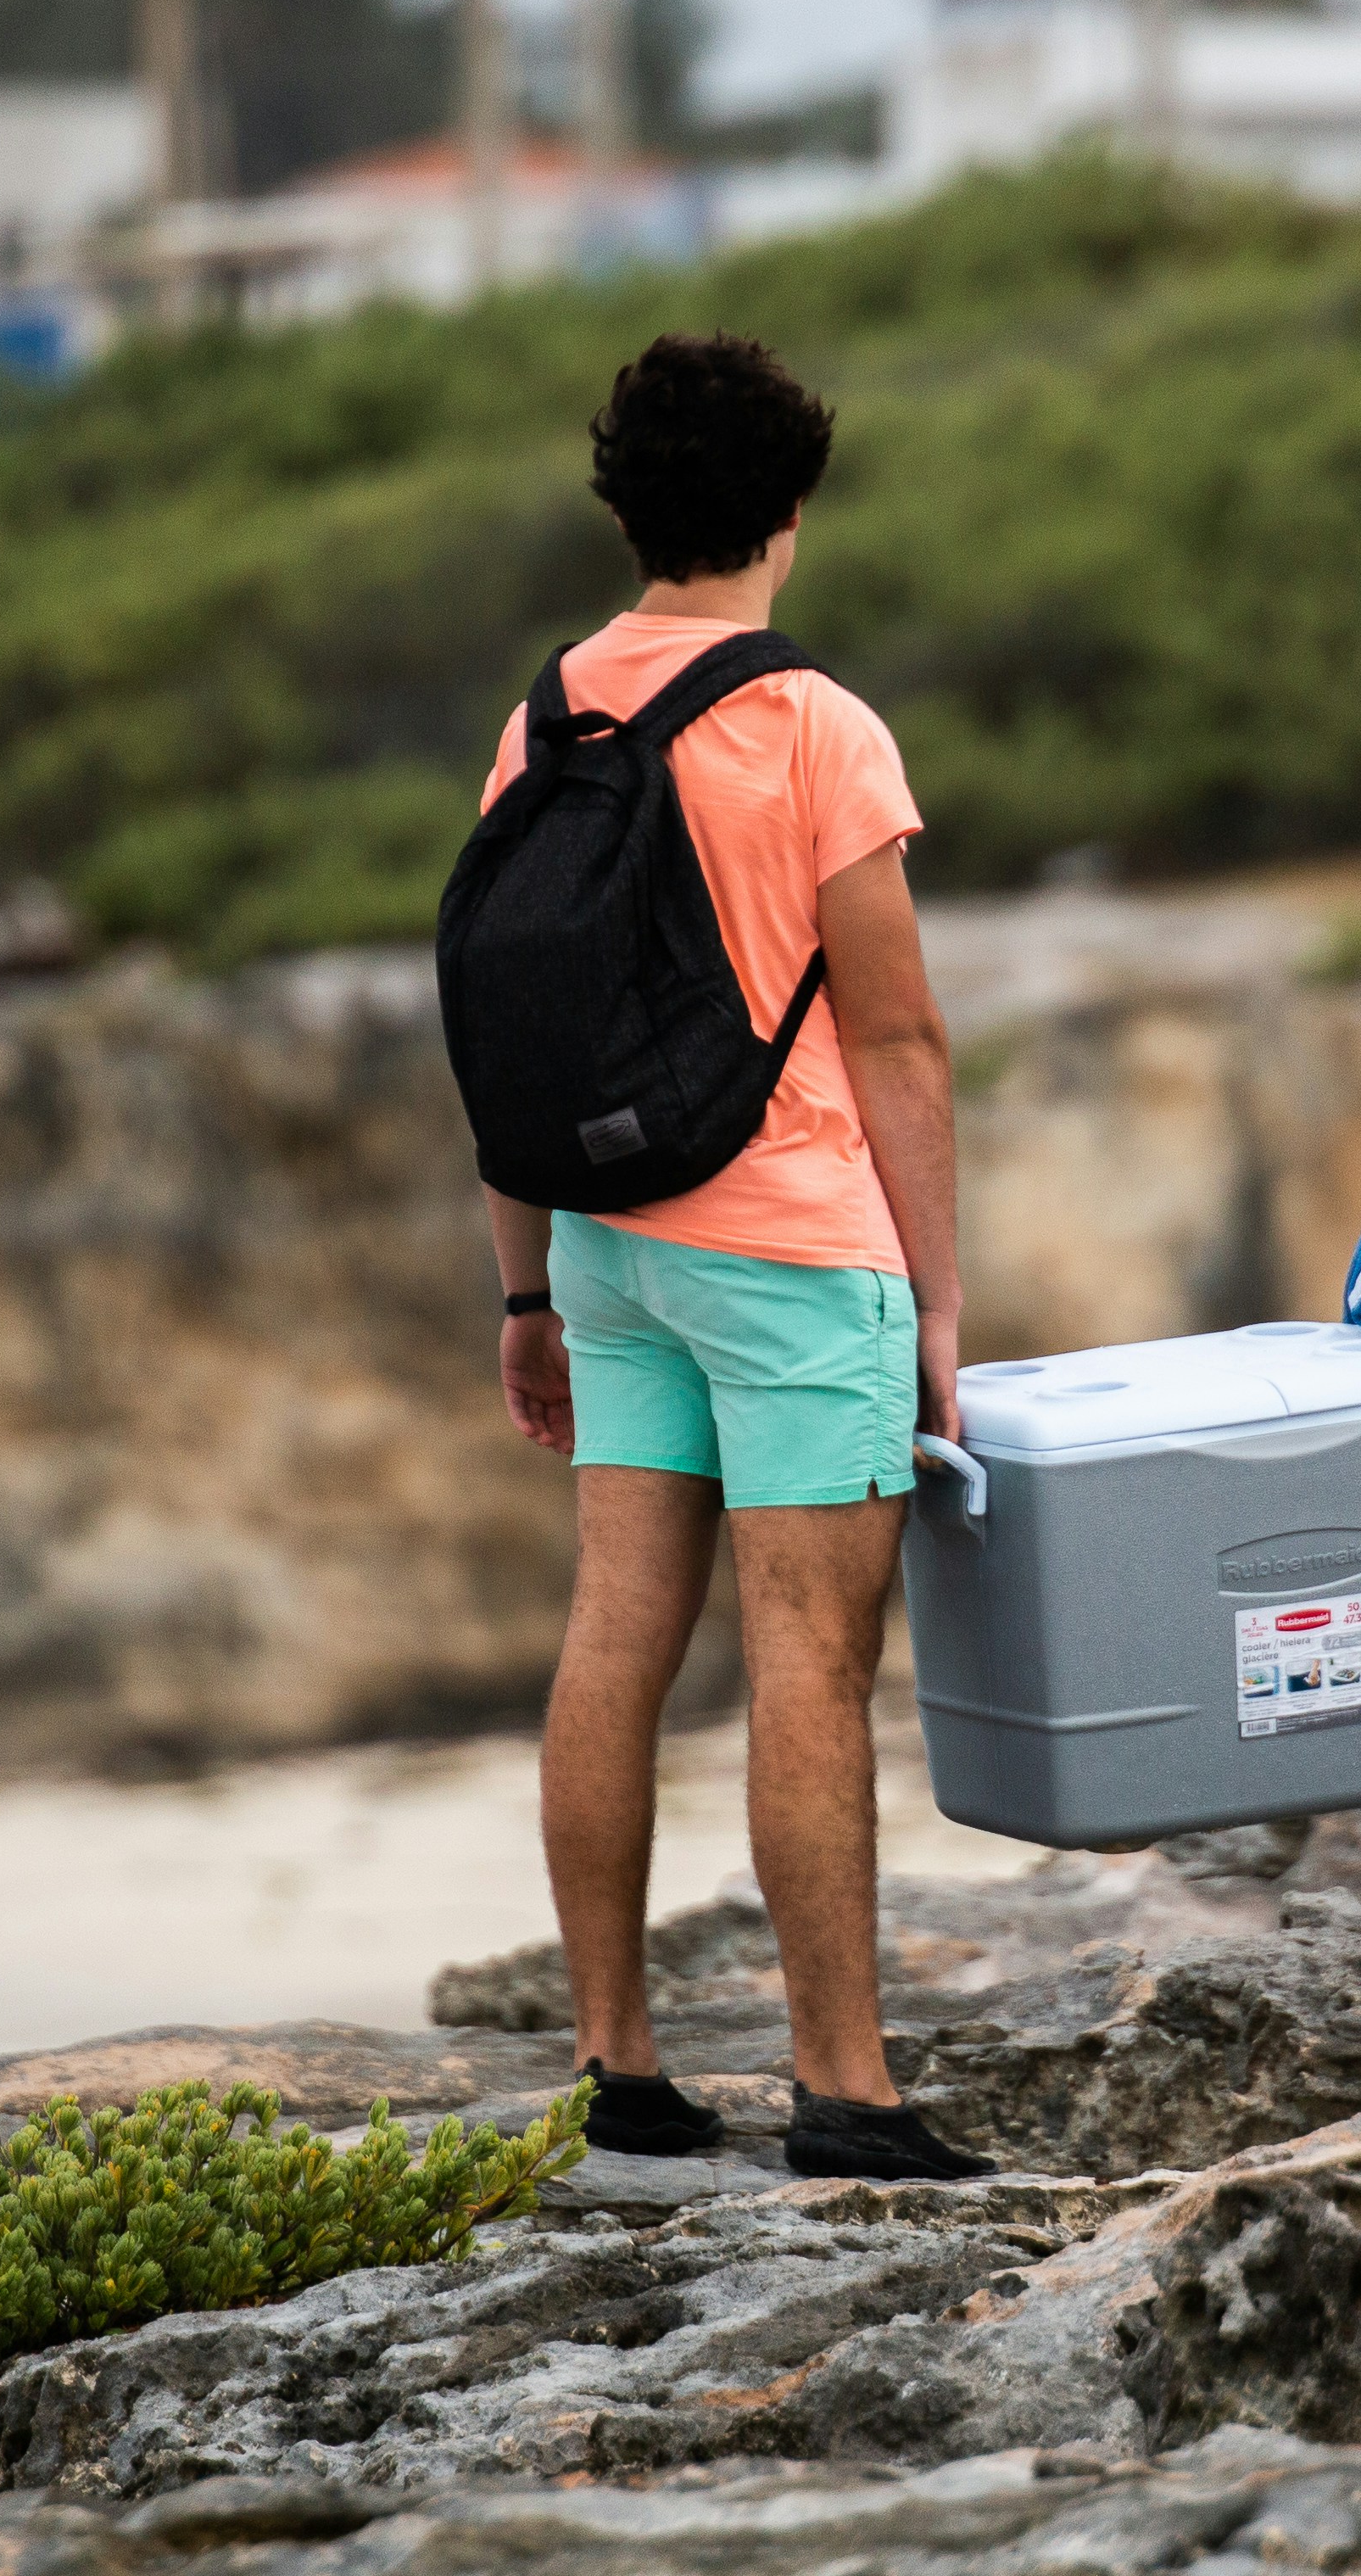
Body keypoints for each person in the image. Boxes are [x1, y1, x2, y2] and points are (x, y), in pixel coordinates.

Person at [481, 331, 991, 2182]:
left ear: (626, 508)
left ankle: (617, 2067)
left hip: (608, 1245)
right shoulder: (811, 723)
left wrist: (527, 1290)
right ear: (786, 515)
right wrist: (933, 1298)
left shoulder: (546, 716)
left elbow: (510, 1029)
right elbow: (902, 1036)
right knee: (806, 1655)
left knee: (619, 1627)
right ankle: (841, 2089)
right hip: (788, 1248)